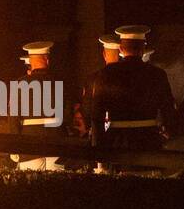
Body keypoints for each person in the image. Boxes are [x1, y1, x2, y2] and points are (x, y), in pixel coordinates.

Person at [88, 25, 176, 152]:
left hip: (117, 142)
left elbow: (97, 115)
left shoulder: (106, 73)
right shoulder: (157, 74)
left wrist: (98, 150)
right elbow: (168, 109)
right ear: (143, 49)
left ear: (121, 49)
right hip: (149, 140)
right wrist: (170, 133)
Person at [10, 40, 66, 170]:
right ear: (47, 60)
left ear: (30, 60)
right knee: (56, 186)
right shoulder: (59, 82)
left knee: (30, 187)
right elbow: (67, 114)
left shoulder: (20, 84)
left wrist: (14, 145)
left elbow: (13, 119)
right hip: (55, 143)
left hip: (29, 145)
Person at [78, 33, 121, 139]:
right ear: (120, 53)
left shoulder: (93, 78)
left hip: (100, 131)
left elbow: (87, 106)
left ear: (104, 54)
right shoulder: (126, 76)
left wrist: (88, 125)